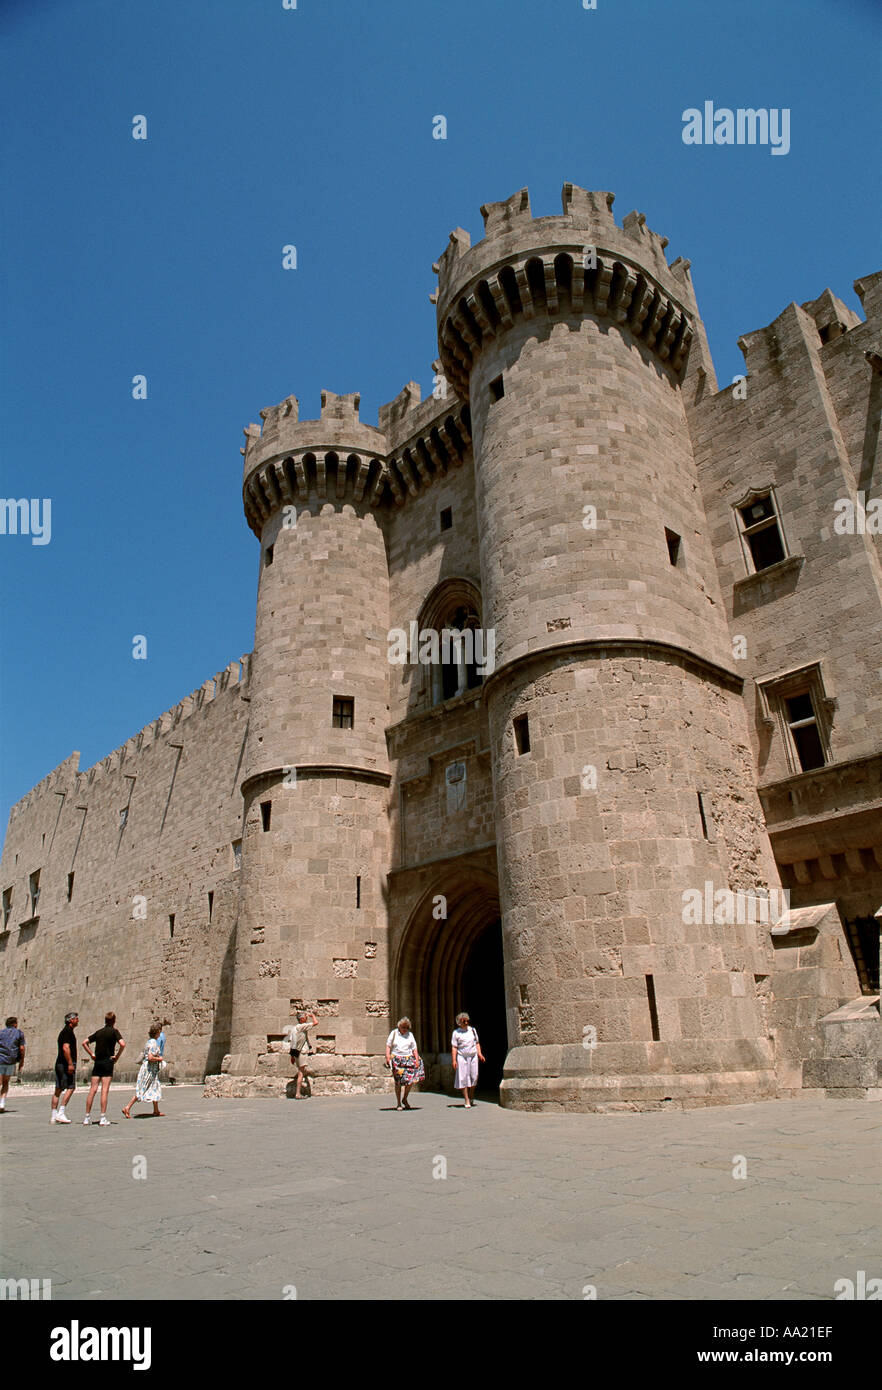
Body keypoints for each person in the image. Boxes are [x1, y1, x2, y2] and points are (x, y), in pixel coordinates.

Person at [82, 1011, 126, 1125]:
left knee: (93, 1089)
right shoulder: (114, 1032)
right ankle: (102, 1118)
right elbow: (122, 1044)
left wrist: (91, 1054)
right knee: (104, 1090)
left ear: (105, 1020)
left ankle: (87, 1117)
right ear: (114, 1021)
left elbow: (84, 1042)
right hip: (108, 1062)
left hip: (98, 1062)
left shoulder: (99, 1032)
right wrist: (117, 1056)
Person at [121, 1023, 164, 1118]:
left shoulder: (149, 1041)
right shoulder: (153, 1043)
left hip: (150, 1070)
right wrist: (159, 1059)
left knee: (155, 1087)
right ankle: (127, 1107)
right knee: (143, 1088)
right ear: (157, 1032)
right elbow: (150, 1057)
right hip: (149, 1070)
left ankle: (156, 1110)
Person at [385, 1017, 424, 1110]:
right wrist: (387, 1056)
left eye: (406, 1027)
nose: (405, 1029)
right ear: (399, 1026)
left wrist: (417, 1059)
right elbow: (388, 1045)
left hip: (408, 1058)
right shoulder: (394, 1033)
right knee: (398, 1082)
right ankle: (398, 1103)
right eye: (403, 1027)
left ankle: (405, 1098)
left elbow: (414, 1047)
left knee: (410, 1080)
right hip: (397, 1059)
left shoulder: (410, 1035)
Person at [451, 1011, 486, 1108]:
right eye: (464, 1021)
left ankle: (471, 1094)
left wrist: (480, 1054)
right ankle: (466, 1099)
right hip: (462, 1056)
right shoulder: (456, 1033)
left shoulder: (473, 1030)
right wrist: (454, 1060)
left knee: (474, 1076)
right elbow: (454, 1047)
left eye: (467, 1021)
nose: (466, 1023)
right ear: (459, 1022)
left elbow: (477, 1043)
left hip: (473, 1055)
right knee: (463, 1078)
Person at [51, 1011, 79, 1124]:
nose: (78, 1020)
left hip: (59, 1063)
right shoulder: (68, 1032)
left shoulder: (64, 1031)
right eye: (76, 1018)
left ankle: (53, 1116)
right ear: (71, 1020)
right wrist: (70, 1064)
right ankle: (61, 1112)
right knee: (71, 1087)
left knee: (58, 1089)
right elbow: (66, 1048)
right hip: (65, 1064)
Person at [285, 1011, 317, 1099]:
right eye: (305, 1017)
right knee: (301, 1073)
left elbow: (292, 1042)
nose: (306, 1018)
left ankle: (298, 1093)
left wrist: (292, 1056)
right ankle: (298, 1094)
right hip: (302, 1052)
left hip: (296, 1053)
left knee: (300, 1072)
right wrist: (312, 1015)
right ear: (302, 1019)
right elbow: (315, 1023)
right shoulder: (302, 1026)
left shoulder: (294, 1028)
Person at [0, 1015, 25, 1110]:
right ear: (14, 1024)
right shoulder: (19, 1033)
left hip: (0, 1059)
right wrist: (21, 1061)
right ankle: (1, 1103)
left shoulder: (1, 1033)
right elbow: (22, 1048)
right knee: (5, 1083)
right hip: (11, 1061)